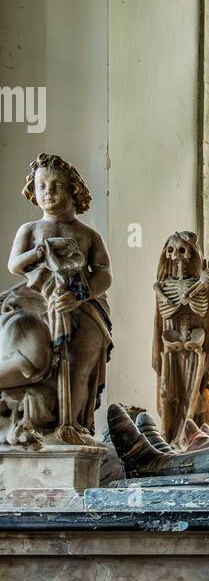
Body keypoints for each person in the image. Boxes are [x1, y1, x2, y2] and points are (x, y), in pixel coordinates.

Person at [8, 154, 112, 439]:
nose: (48, 192)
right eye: (42, 186)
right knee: (28, 346)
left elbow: (104, 272)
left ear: (73, 191)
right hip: (37, 298)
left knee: (82, 357)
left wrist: (80, 295)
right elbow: (14, 265)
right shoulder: (29, 230)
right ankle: (37, 421)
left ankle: (73, 424)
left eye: (57, 186)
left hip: (80, 302)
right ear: (34, 191)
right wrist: (37, 252)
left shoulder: (87, 233)